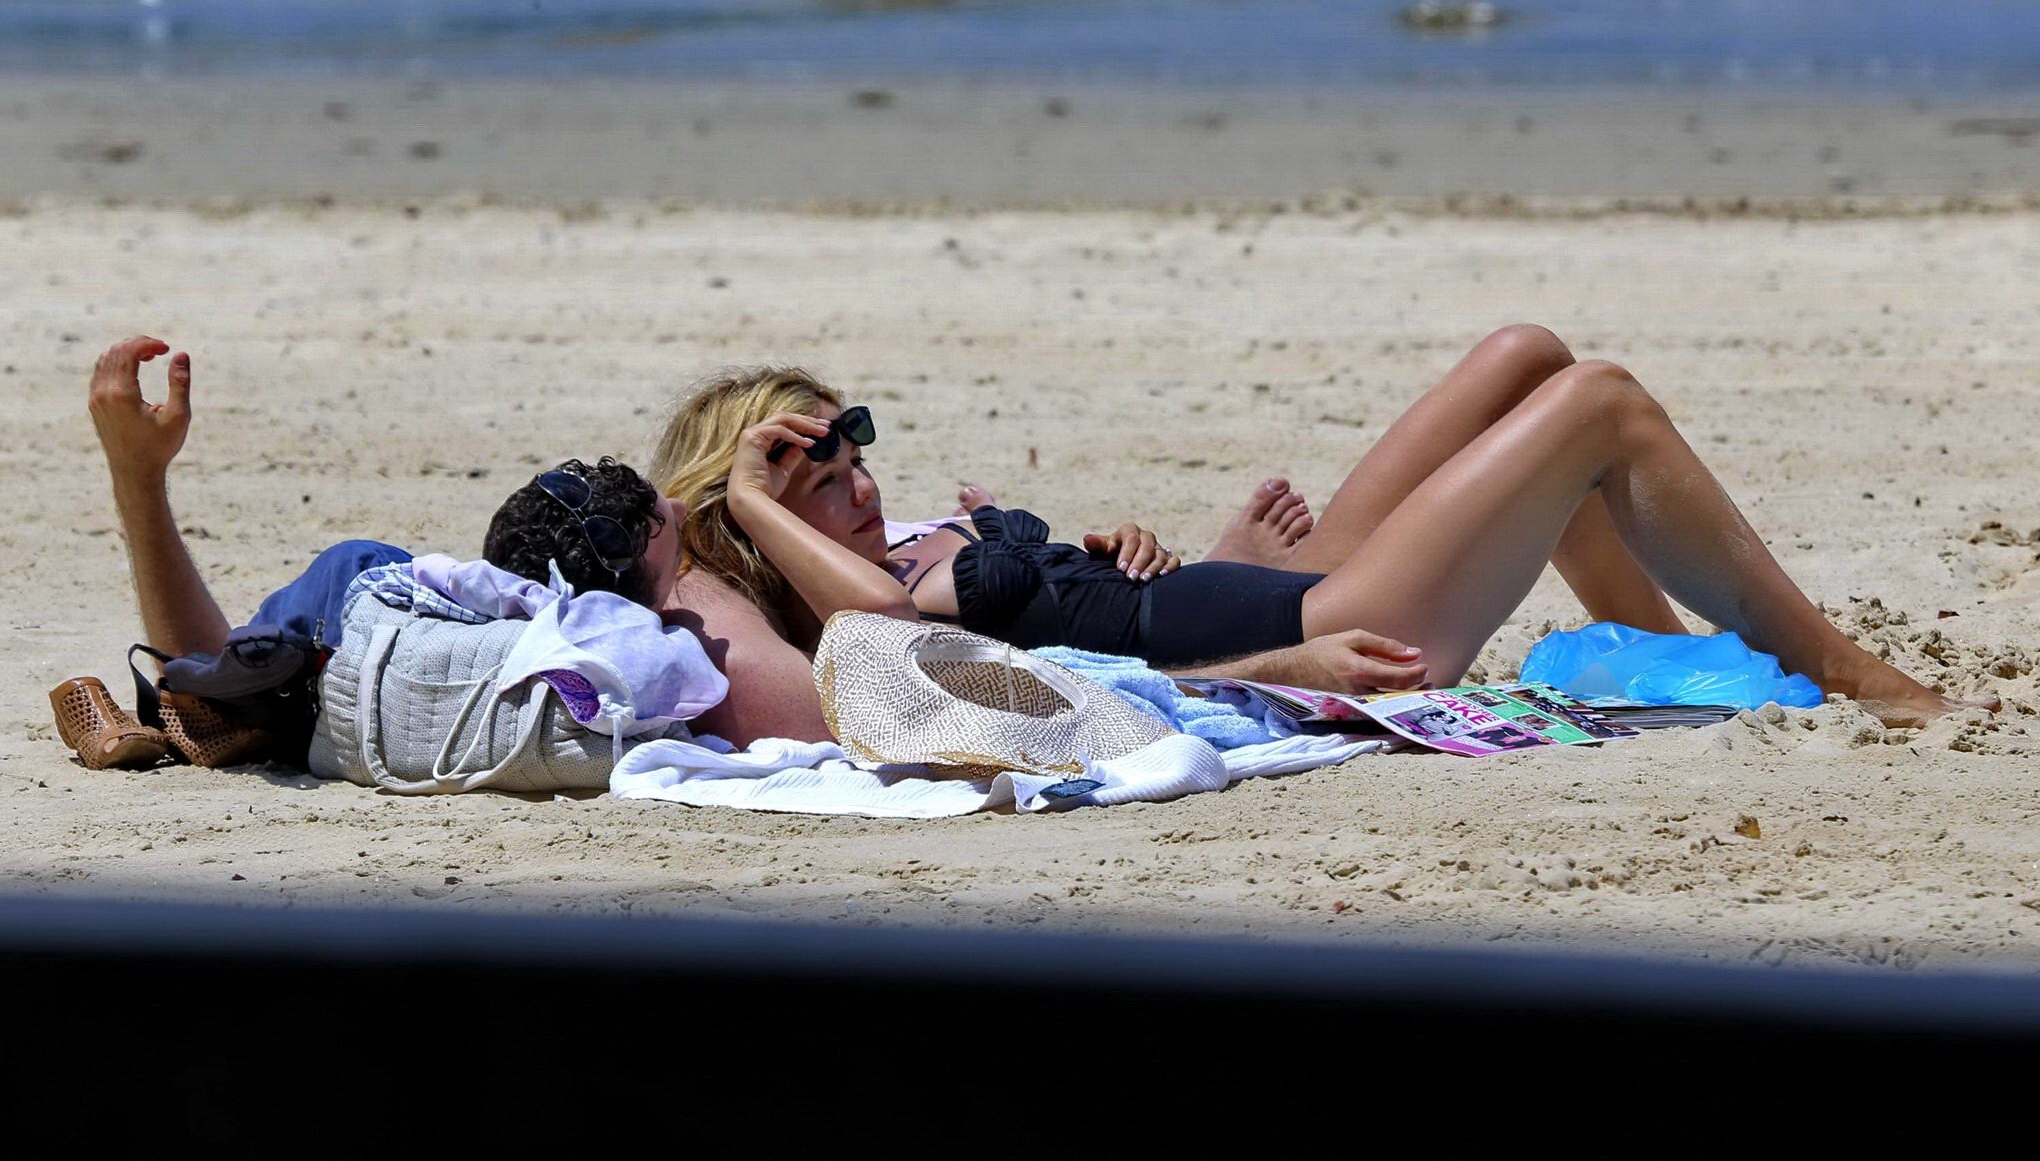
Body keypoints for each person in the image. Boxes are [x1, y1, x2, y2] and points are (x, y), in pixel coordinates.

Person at [651, 324, 1993, 735]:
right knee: (1601, 410)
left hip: (1276, 580)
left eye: (852, 438)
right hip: (1339, 627)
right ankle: (1849, 671)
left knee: (1526, 359)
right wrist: (757, 508)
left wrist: (1187, 543)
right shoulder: (847, 612)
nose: (851, 470)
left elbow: (1094, 614)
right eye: (810, 463)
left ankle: (1662, 647)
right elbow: (890, 629)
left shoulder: (903, 548)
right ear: (757, 509)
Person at [64, 335, 686, 769]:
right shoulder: (668, 649)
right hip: (342, 708)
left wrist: (136, 475)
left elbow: (202, 663)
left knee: (345, 570)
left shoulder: (368, 575)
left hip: (315, 690)